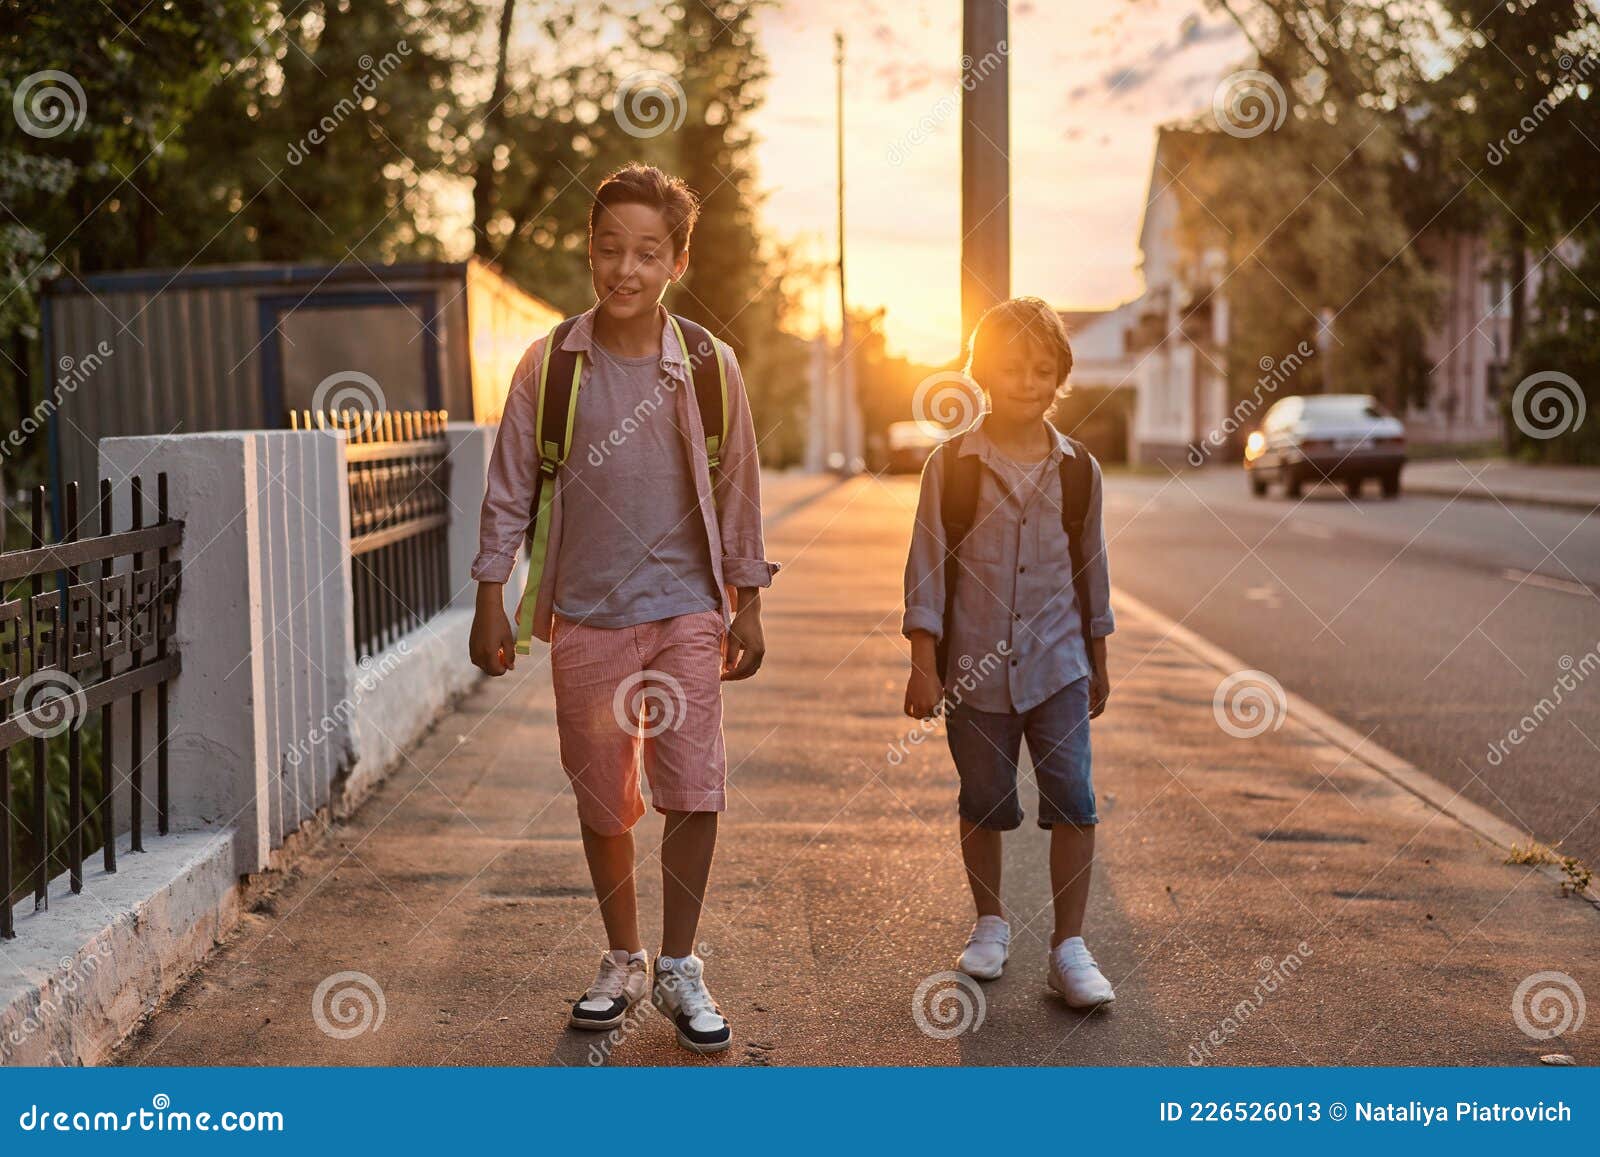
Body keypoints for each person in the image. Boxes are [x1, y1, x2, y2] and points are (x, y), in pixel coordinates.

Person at [469, 163, 777, 1054]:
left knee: (694, 782)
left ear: (677, 261)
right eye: (610, 250)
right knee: (603, 793)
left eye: (648, 253)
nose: (626, 270)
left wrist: (746, 602)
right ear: (590, 251)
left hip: (687, 607)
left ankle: (681, 966)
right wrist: (494, 593)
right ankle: (623, 956)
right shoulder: (551, 364)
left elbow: (738, 490)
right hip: (587, 614)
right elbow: (509, 489)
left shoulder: (710, 369)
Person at [901, 297, 1117, 1009]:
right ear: (982, 373)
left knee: (1075, 802)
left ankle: (1070, 946)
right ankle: (990, 923)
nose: (1028, 380)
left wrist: (1100, 654)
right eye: (1012, 367)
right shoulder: (952, 467)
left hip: (1060, 666)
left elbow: (1093, 566)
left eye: (1043, 368)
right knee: (985, 799)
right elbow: (927, 566)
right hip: (975, 672)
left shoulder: (1079, 470)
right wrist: (923, 660)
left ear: (1060, 375)